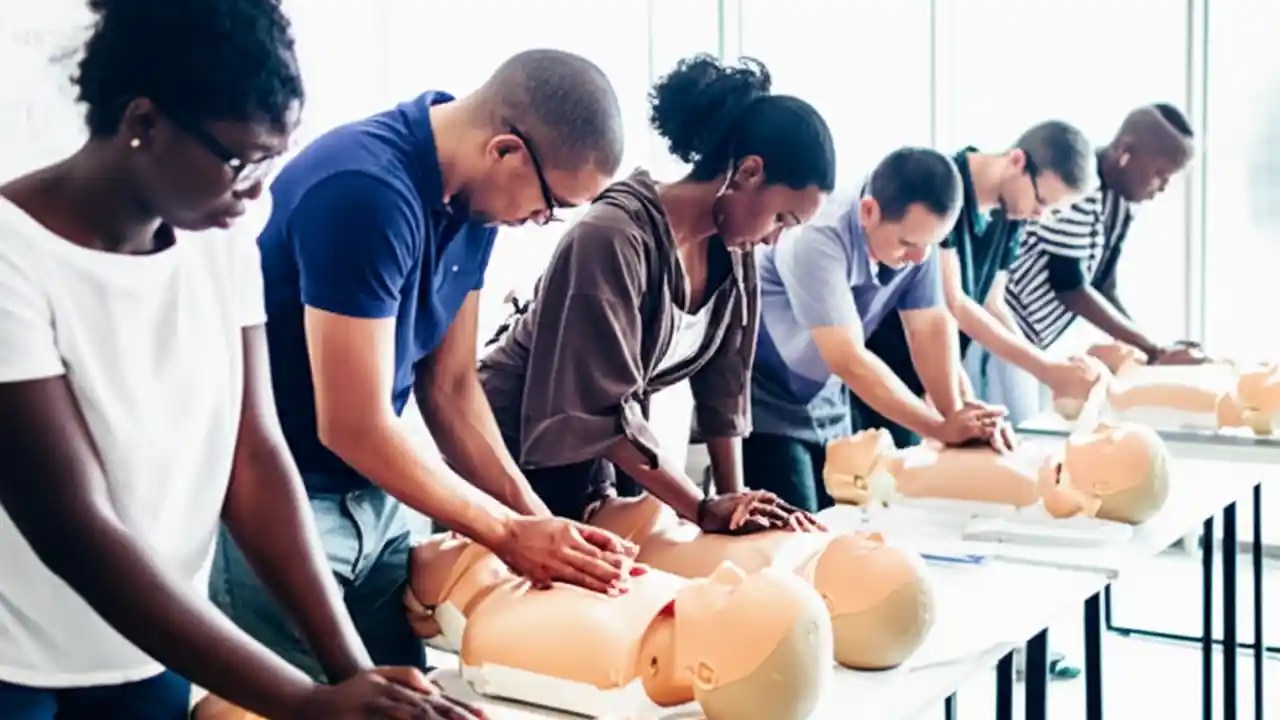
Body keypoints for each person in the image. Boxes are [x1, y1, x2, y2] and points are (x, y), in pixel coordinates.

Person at [0, 1, 477, 718]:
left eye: (270, 160)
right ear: (144, 123)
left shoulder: (217, 242)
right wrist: (303, 701)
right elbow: (74, 524)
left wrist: (353, 674)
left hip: (149, 651)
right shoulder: (14, 258)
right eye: (240, 160)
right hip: (17, 659)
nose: (257, 189)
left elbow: (253, 460)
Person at [210, 49, 638, 681]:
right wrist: (504, 533)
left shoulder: (475, 204)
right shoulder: (365, 192)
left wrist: (536, 521)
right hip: (282, 503)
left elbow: (453, 388)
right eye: (551, 205)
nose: (540, 222)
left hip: (377, 500)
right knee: (304, 700)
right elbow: (350, 424)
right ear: (505, 151)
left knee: (406, 692)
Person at [478, 55, 833, 529]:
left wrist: (737, 505)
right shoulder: (613, 237)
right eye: (781, 219)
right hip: (508, 450)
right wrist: (702, 509)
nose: (774, 239)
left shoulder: (734, 250)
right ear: (749, 172)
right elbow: (601, 408)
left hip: (597, 461)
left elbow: (725, 393)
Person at [745, 147, 1007, 512]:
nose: (918, 258)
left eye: (928, 245)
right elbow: (848, 358)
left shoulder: (919, 244)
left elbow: (930, 328)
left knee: (845, 525)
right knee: (797, 534)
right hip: (767, 404)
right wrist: (938, 428)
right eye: (908, 244)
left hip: (829, 403)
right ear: (869, 211)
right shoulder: (816, 236)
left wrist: (959, 417)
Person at [856, 121, 1098, 447]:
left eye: (1049, 210)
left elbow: (992, 304)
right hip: (884, 367)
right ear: (1016, 162)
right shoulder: (942, 186)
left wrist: (1045, 366)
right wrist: (1046, 369)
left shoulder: (1012, 213)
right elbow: (954, 303)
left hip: (933, 374)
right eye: (1040, 201)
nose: (1039, 215)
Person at [1000, 103, 1203, 421]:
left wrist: (1151, 348)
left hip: (1033, 343)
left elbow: (1103, 284)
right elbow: (1070, 287)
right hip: (1004, 334)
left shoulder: (1121, 204)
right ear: (1126, 151)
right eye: (1160, 173)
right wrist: (1152, 350)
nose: (1162, 186)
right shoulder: (1081, 191)